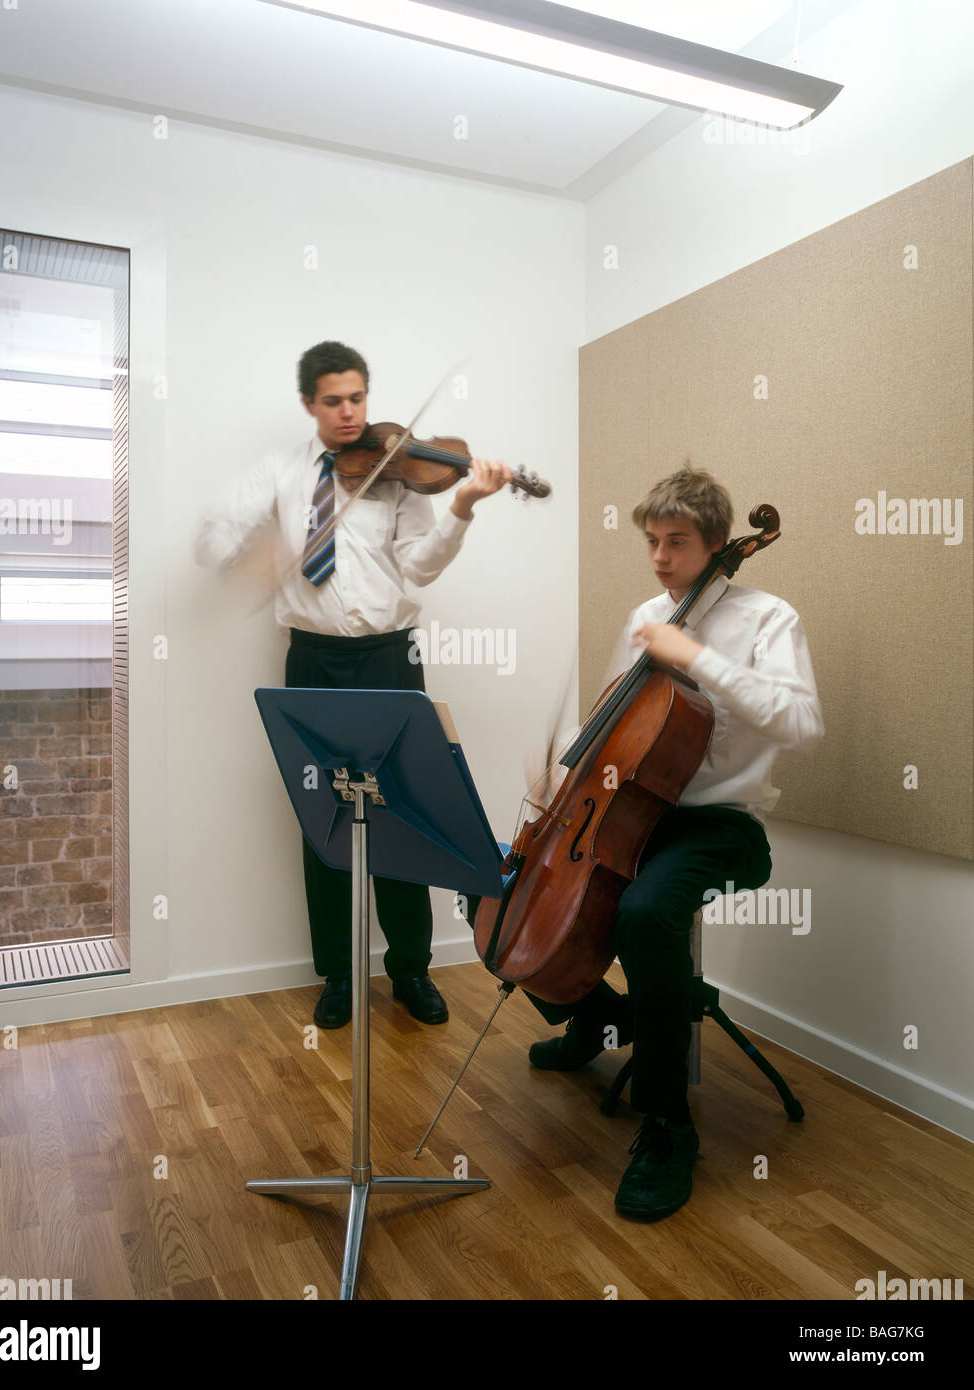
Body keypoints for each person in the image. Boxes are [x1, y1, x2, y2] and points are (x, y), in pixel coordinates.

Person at [525, 464, 823, 1221]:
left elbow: (800, 724)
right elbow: (608, 726)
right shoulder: (646, 613)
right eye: (651, 542)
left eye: (676, 542)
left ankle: (666, 1127)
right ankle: (592, 1015)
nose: (659, 558)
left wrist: (695, 658)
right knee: (499, 888)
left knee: (646, 916)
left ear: (717, 542)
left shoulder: (766, 619)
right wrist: (552, 783)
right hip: (629, 813)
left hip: (719, 823)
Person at [194, 340, 511, 1030]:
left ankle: (410, 971)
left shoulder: (397, 473)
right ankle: (340, 974)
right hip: (311, 664)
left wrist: (463, 507)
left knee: (403, 813)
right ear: (309, 403)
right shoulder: (282, 472)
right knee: (327, 821)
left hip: (388, 664)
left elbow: (420, 569)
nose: (349, 413)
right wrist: (250, 552)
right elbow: (211, 539)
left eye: (358, 398)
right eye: (334, 400)